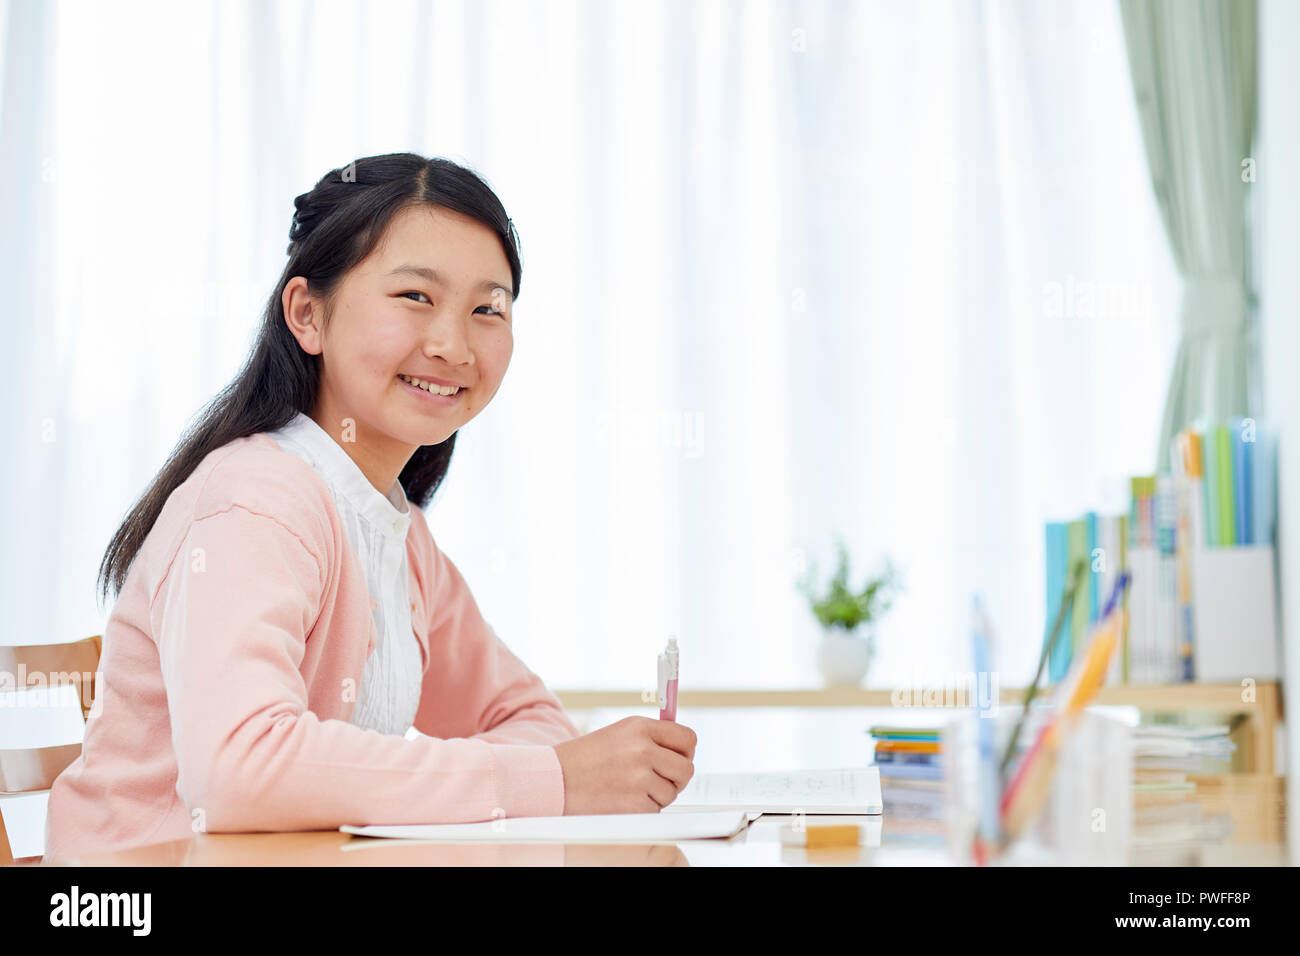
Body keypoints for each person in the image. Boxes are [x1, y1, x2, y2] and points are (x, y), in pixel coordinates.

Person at [43, 153, 696, 860]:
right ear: (307, 314)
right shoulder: (253, 500)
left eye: (488, 309)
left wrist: (546, 772)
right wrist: (551, 779)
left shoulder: (398, 533)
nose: (452, 344)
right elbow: (241, 770)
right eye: (415, 296)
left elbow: (530, 720)